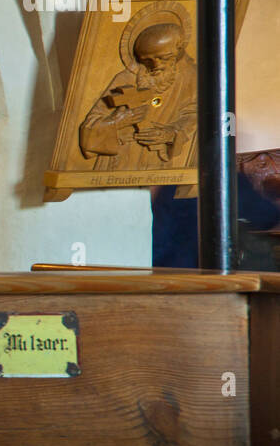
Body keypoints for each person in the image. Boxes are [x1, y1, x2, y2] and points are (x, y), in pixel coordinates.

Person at [79, 22, 197, 170]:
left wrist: (171, 134)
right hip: (120, 160)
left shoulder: (191, 77)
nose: (156, 65)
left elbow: (194, 115)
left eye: (164, 58)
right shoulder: (125, 79)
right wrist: (117, 122)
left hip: (157, 163)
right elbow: (89, 127)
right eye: (147, 60)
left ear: (178, 51)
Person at [151, 172, 280, 268]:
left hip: (178, 272)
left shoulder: (172, 186)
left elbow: (160, 241)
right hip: (223, 272)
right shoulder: (228, 177)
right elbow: (267, 216)